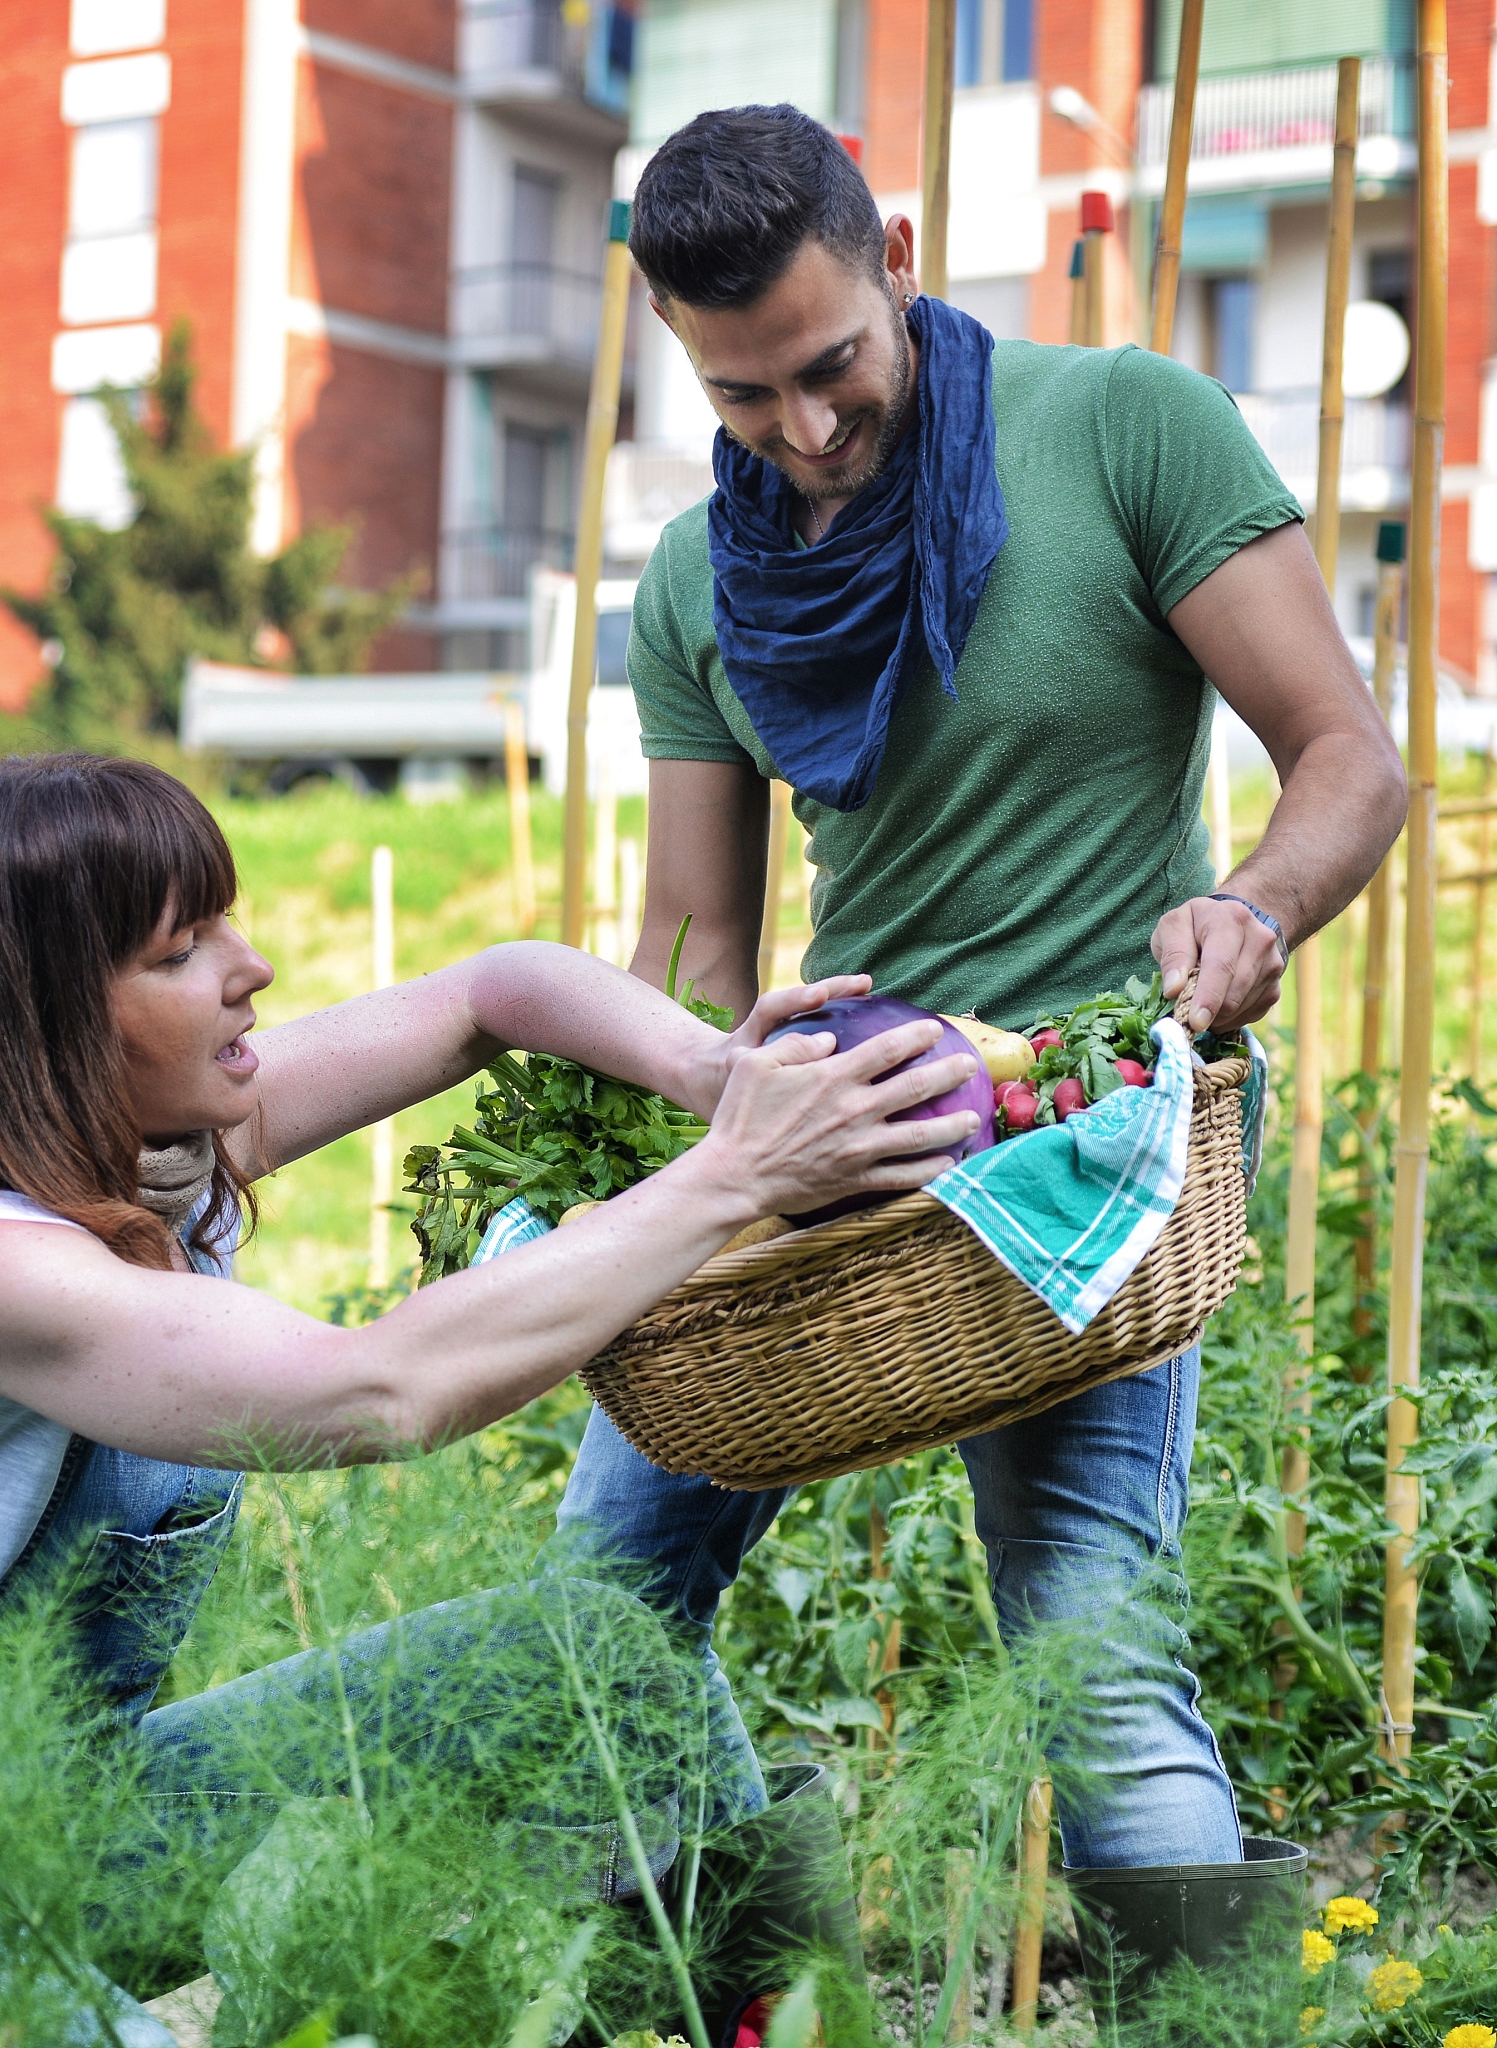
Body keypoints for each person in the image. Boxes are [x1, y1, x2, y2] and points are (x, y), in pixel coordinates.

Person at [0, 751, 978, 2045]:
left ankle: (788, 2024)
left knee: (602, 1648)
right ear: (50, 1017)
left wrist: (706, 1073)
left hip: (66, 1822)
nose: (248, 969)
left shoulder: (145, 1156)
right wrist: (735, 1175)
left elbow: (491, 992)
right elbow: (380, 1390)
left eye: (223, 925)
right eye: (181, 951)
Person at [542, 102, 1407, 1965]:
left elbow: (1349, 757)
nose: (803, 428)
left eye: (830, 364)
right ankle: (761, 2001)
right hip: (832, 1133)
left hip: (1080, 1137)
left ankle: (1215, 2022)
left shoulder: (1122, 430)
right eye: (743, 392)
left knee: (1089, 1653)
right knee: (601, 1610)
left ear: (902, 261)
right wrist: (626, 1170)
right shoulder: (696, 580)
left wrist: (1255, 911)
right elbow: (698, 947)